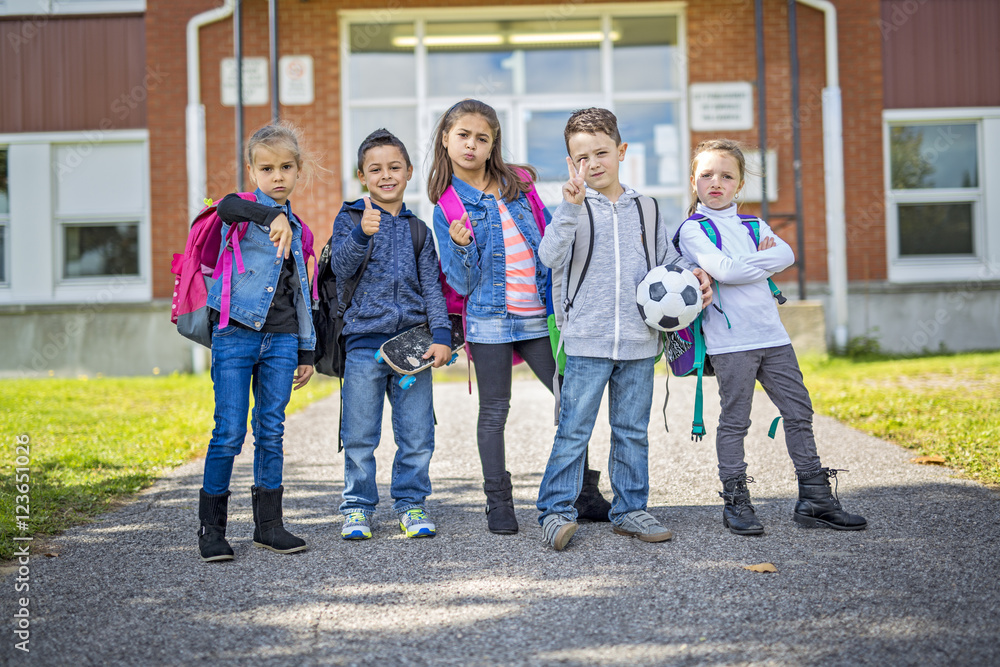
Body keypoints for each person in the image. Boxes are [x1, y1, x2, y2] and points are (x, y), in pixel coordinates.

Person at [428, 99, 613, 535]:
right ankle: (499, 502)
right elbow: (461, 282)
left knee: (571, 400)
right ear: (445, 139)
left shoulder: (520, 185)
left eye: (482, 138)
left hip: (539, 316)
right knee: (494, 411)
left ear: (493, 144)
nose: (472, 145)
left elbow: (552, 240)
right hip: (490, 320)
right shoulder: (447, 206)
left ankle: (583, 493)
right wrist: (459, 246)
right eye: (463, 136)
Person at [535, 108, 713, 551]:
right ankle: (555, 513)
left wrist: (693, 276)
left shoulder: (647, 209)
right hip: (585, 343)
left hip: (638, 343)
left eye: (601, 153)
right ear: (571, 163)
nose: (593, 163)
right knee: (573, 429)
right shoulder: (570, 210)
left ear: (621, 152)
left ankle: (630, 509)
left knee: (631, 430)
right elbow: (549, 257)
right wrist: (569, 210)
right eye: (582, 157)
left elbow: (665, 264)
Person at [676, 138, 867, 536]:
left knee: (799, 412)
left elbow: (786, 256)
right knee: (736, 421)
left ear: (740, 184)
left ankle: (814, 499)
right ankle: (736, 502)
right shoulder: (693, 230)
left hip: (773, 338)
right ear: (693, 180)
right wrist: (751, 265)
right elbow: (725, 270)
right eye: (707, 174)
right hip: (731, 345)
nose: (716, 182)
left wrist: (737, 266)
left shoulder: (754, 225)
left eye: (727, 176)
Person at [197, 123, 318, 562]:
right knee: (229, 430)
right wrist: (272, 215)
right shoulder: (245, 211)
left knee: (271, 430)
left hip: (283, 340)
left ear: (298, 170)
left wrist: (306, 350)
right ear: (252, 171)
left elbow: (302, 292)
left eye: (286, 167)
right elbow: (223, 206)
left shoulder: (300, 229)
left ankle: (269, 526)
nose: (278, 176)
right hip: (235, 333)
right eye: (267, 168)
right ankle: (212, 529)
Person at [331, 129, 451, 540]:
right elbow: (340, 269)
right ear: (362, 176)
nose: (386, 175)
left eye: (394, 167)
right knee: (360, 436)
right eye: (375, 169)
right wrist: (362, 232)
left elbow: (432, 287)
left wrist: (442, 335)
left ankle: (411, 506)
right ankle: (358, 508)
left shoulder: (419, 230)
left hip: (413, 347)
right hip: (364, 346)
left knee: (417, 434)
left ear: (409, 172)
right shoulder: (349, 218)